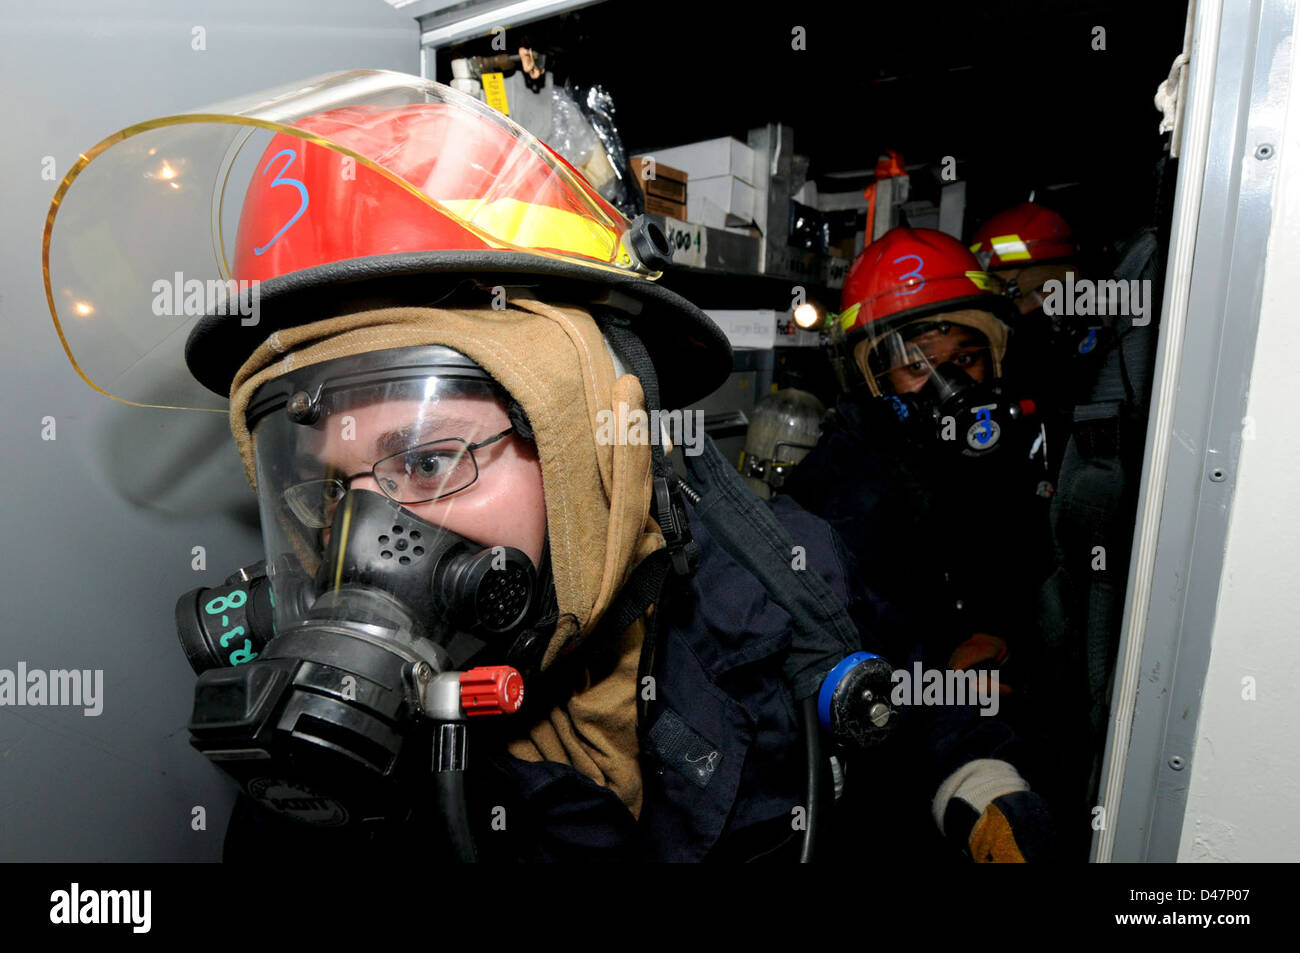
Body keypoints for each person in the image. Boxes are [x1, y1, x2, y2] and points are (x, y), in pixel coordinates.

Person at [44, 71, 1053, 862]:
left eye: (430, 455)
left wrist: (978, 782)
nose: (372, 552)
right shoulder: (338, 780)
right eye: (327, 490)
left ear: (588, 440)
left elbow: (896, 695)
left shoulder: (785, 566)